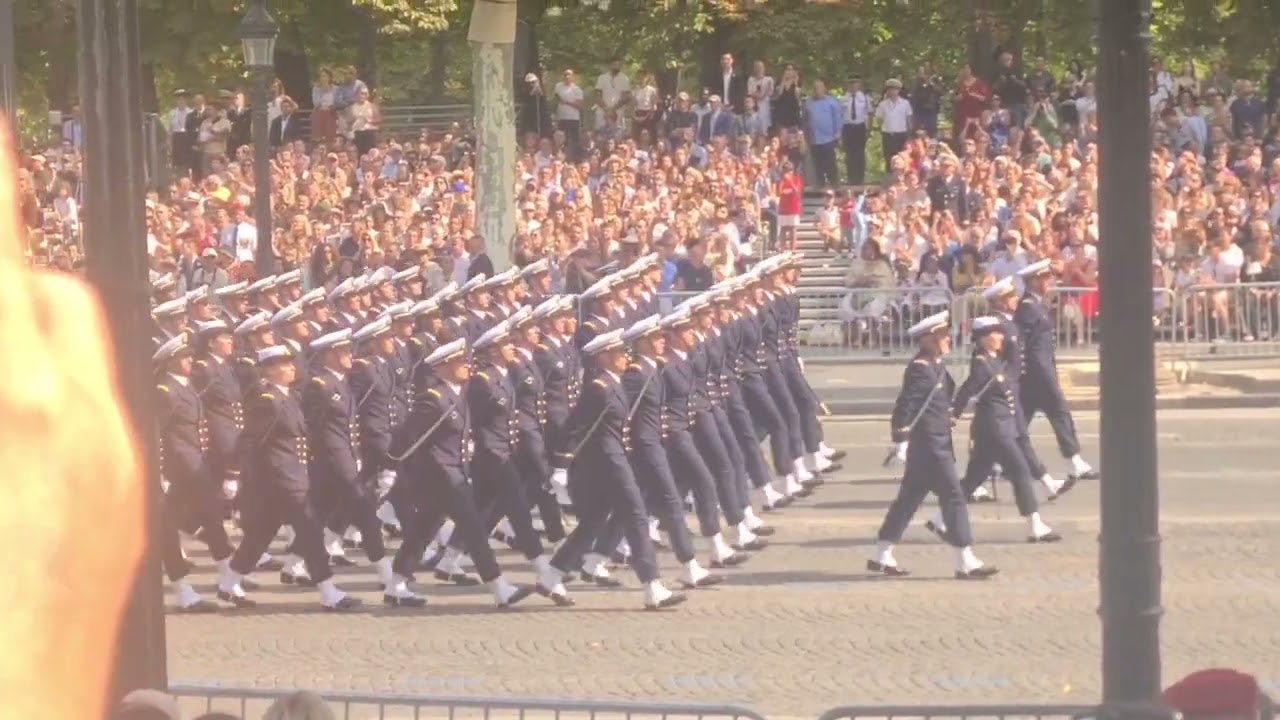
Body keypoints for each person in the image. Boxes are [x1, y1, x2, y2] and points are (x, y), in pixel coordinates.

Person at [538, 328, 688, 609]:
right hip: (607, 461)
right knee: (636, 516)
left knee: (594, 521)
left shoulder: (614, 382)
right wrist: (561, 464)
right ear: (604, 356)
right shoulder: (599, 388)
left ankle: (552, 574)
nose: (624, 357)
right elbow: (577, 426)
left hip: (616, 457)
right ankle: (652, 586)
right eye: (618, 353)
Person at [388, 337, 536, 608]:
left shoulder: (457, 393)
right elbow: (406, 436)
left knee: (423, 529)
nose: (467, 365)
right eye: (459, 362)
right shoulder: (433, 400)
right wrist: (392, 467)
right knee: (474, 528)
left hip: (454, 470)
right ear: (444, 367)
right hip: (441, 474)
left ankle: (396, 583)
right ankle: (499, 586)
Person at [215, 344, 361, 611]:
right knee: (311, 530)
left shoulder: (288, 396)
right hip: (281, 478)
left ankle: (229, 581)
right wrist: (233, 474)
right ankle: (328, 592)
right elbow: (249, 440)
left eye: (291, 363)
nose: (293, 368)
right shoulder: (266, 401)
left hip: (289, 476)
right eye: (285, 364)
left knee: (261, 533)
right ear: (270, 370)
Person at [869, 311, 997, 579]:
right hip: (931, 447)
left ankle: (881, 553)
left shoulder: (934, 365)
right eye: (942, 336)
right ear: (928, 340)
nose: (948, 339)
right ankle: (965, 559)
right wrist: (900, 440)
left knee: (908, 500)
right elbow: (905, 406)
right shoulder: (920, 370)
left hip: (934, 443)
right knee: (954, 498)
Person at [937, 316, 1061, 544]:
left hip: (999, 427)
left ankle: (940, 519)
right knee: (1021, 472)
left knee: (973, 478)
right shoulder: (982, 364)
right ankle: (1036, 525)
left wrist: (1011, 337)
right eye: (996, 333)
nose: (1001, 337)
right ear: (984, 339)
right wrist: (954, 413)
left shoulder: (995, 360)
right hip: (995, 428)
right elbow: (967, 389)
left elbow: (1013, 367)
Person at [153, 333, 229, 613]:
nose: (190, 361)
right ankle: (192, 588)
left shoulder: (186, 387)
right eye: (184, 358)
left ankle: (226, 576)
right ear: (170, 361)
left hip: (192, 466)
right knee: (173, 528)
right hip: (178, 470)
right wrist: (159, 471)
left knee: (196, 520)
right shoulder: (165, 391)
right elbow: (155, 433)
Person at [1014, 259, 1098, 482]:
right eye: (1044, 278)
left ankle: (996, 461)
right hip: (1037, 373)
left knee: (1018, 421)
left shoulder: (1037, 305)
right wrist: (1044, 374)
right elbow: (1027, 345)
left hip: (1037, 373)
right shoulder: (1028, 307)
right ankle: (1074, 461)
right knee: (1059, 412)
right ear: (1033, 281)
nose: (1048, 281)